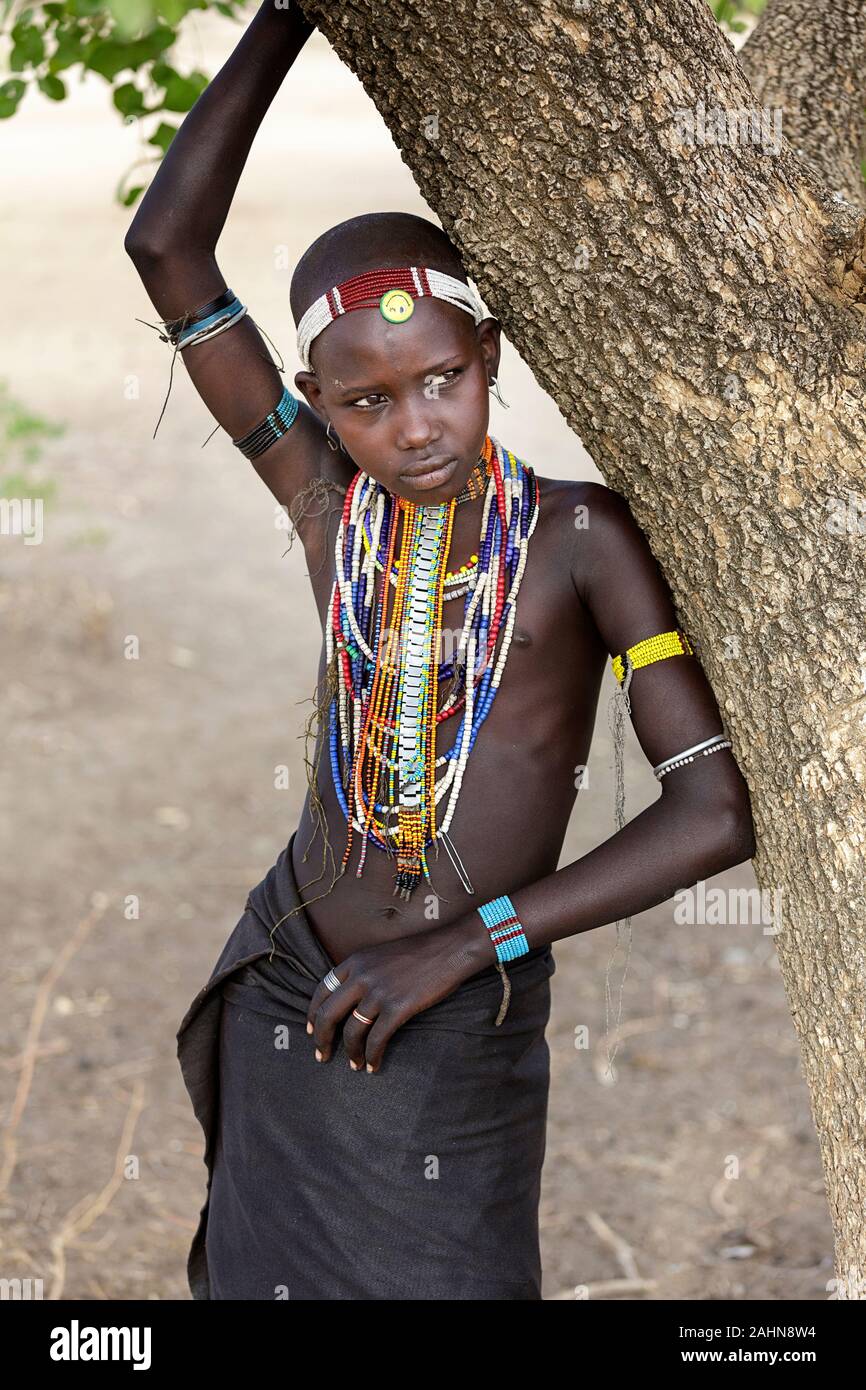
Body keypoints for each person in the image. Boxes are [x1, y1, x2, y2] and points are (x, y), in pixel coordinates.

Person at [124, 1, 756, 1301]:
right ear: (317, 409)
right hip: (298, 970)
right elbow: (166, 243)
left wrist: (470, 943)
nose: (413, 426)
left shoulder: (583, 542)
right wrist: (291, 15)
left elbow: (713, 809)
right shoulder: (325, 502)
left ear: (488, 357)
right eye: (363, 401)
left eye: (439, 380)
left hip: (460, 1001)